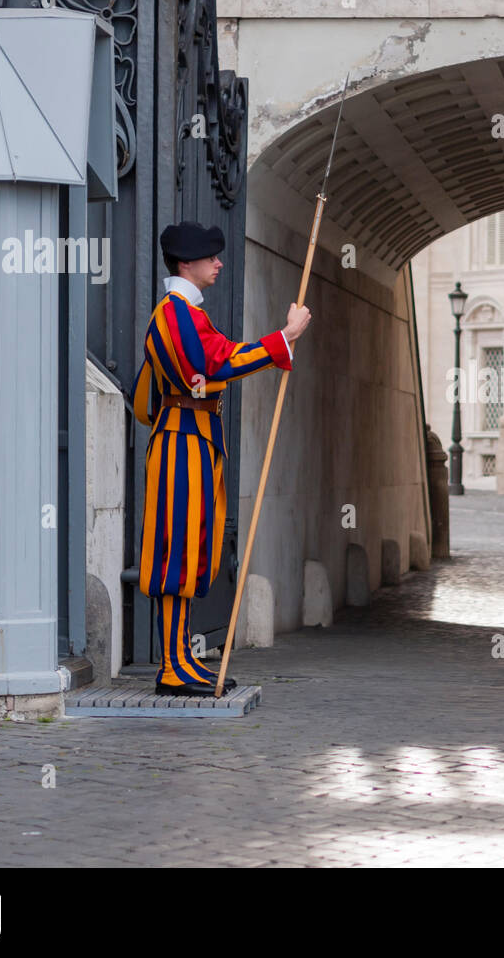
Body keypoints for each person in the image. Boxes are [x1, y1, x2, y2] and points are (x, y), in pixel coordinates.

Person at [131, 220, 311, 697]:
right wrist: (283, 338)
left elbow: (145, 398)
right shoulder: (174, 315)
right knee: (176, 555)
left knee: (189, 553)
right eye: (211, 256)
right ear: (186, 263)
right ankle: (172, 666)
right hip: (181, 443)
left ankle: (182, 658)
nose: (219, 263)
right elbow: (215, 364)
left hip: (192, 439)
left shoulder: (186, 314)